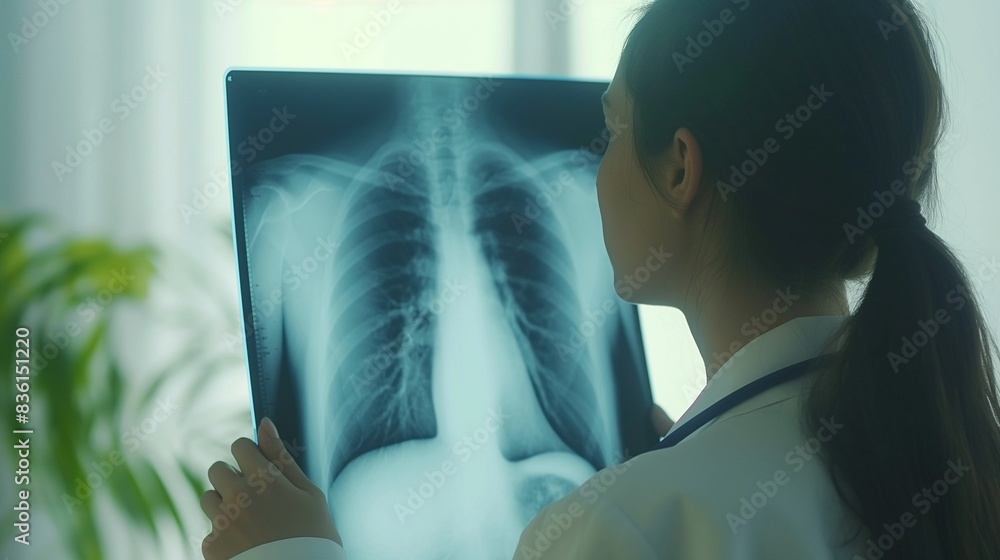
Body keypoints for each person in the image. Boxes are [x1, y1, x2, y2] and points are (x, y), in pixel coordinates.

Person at [199, 0, 1000, 558]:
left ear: (681, 167)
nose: (594, 169)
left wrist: (291, 554)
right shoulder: (961, 454)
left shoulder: (628, 528)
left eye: (612, 128)